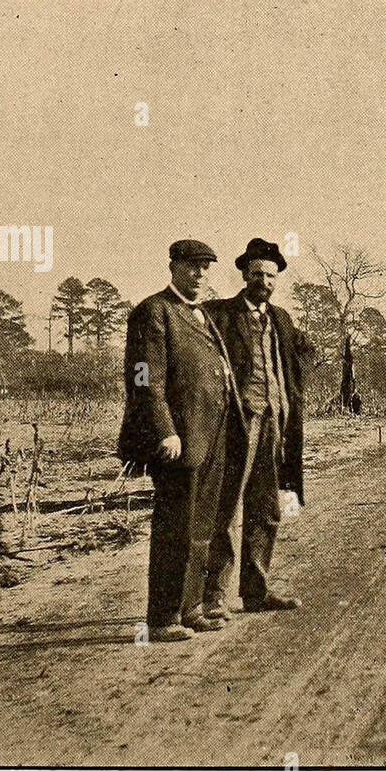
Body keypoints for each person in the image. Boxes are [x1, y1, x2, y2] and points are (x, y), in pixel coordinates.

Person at [118, 239, 246, 641]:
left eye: (206, 268)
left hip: (213, 437)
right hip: (179, 441)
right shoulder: (152, 312)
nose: (200, 274)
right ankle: (162, 618)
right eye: (192, 266)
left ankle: (190, 608)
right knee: (175, 527)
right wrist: (165, 430)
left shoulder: (201, 315)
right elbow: (144, 381)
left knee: (201, 526)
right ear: (172, 266)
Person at [203, 238, 307, 613]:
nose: (264, 280)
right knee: (227, 507)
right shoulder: (220, 315)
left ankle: (255, 592)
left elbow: (297, 359)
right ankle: (213, 597)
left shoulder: (280, 318)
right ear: (245, 274)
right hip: (235, 424)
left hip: (274, 422)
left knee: (266, 508)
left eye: (271, 275)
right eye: (258, 273)